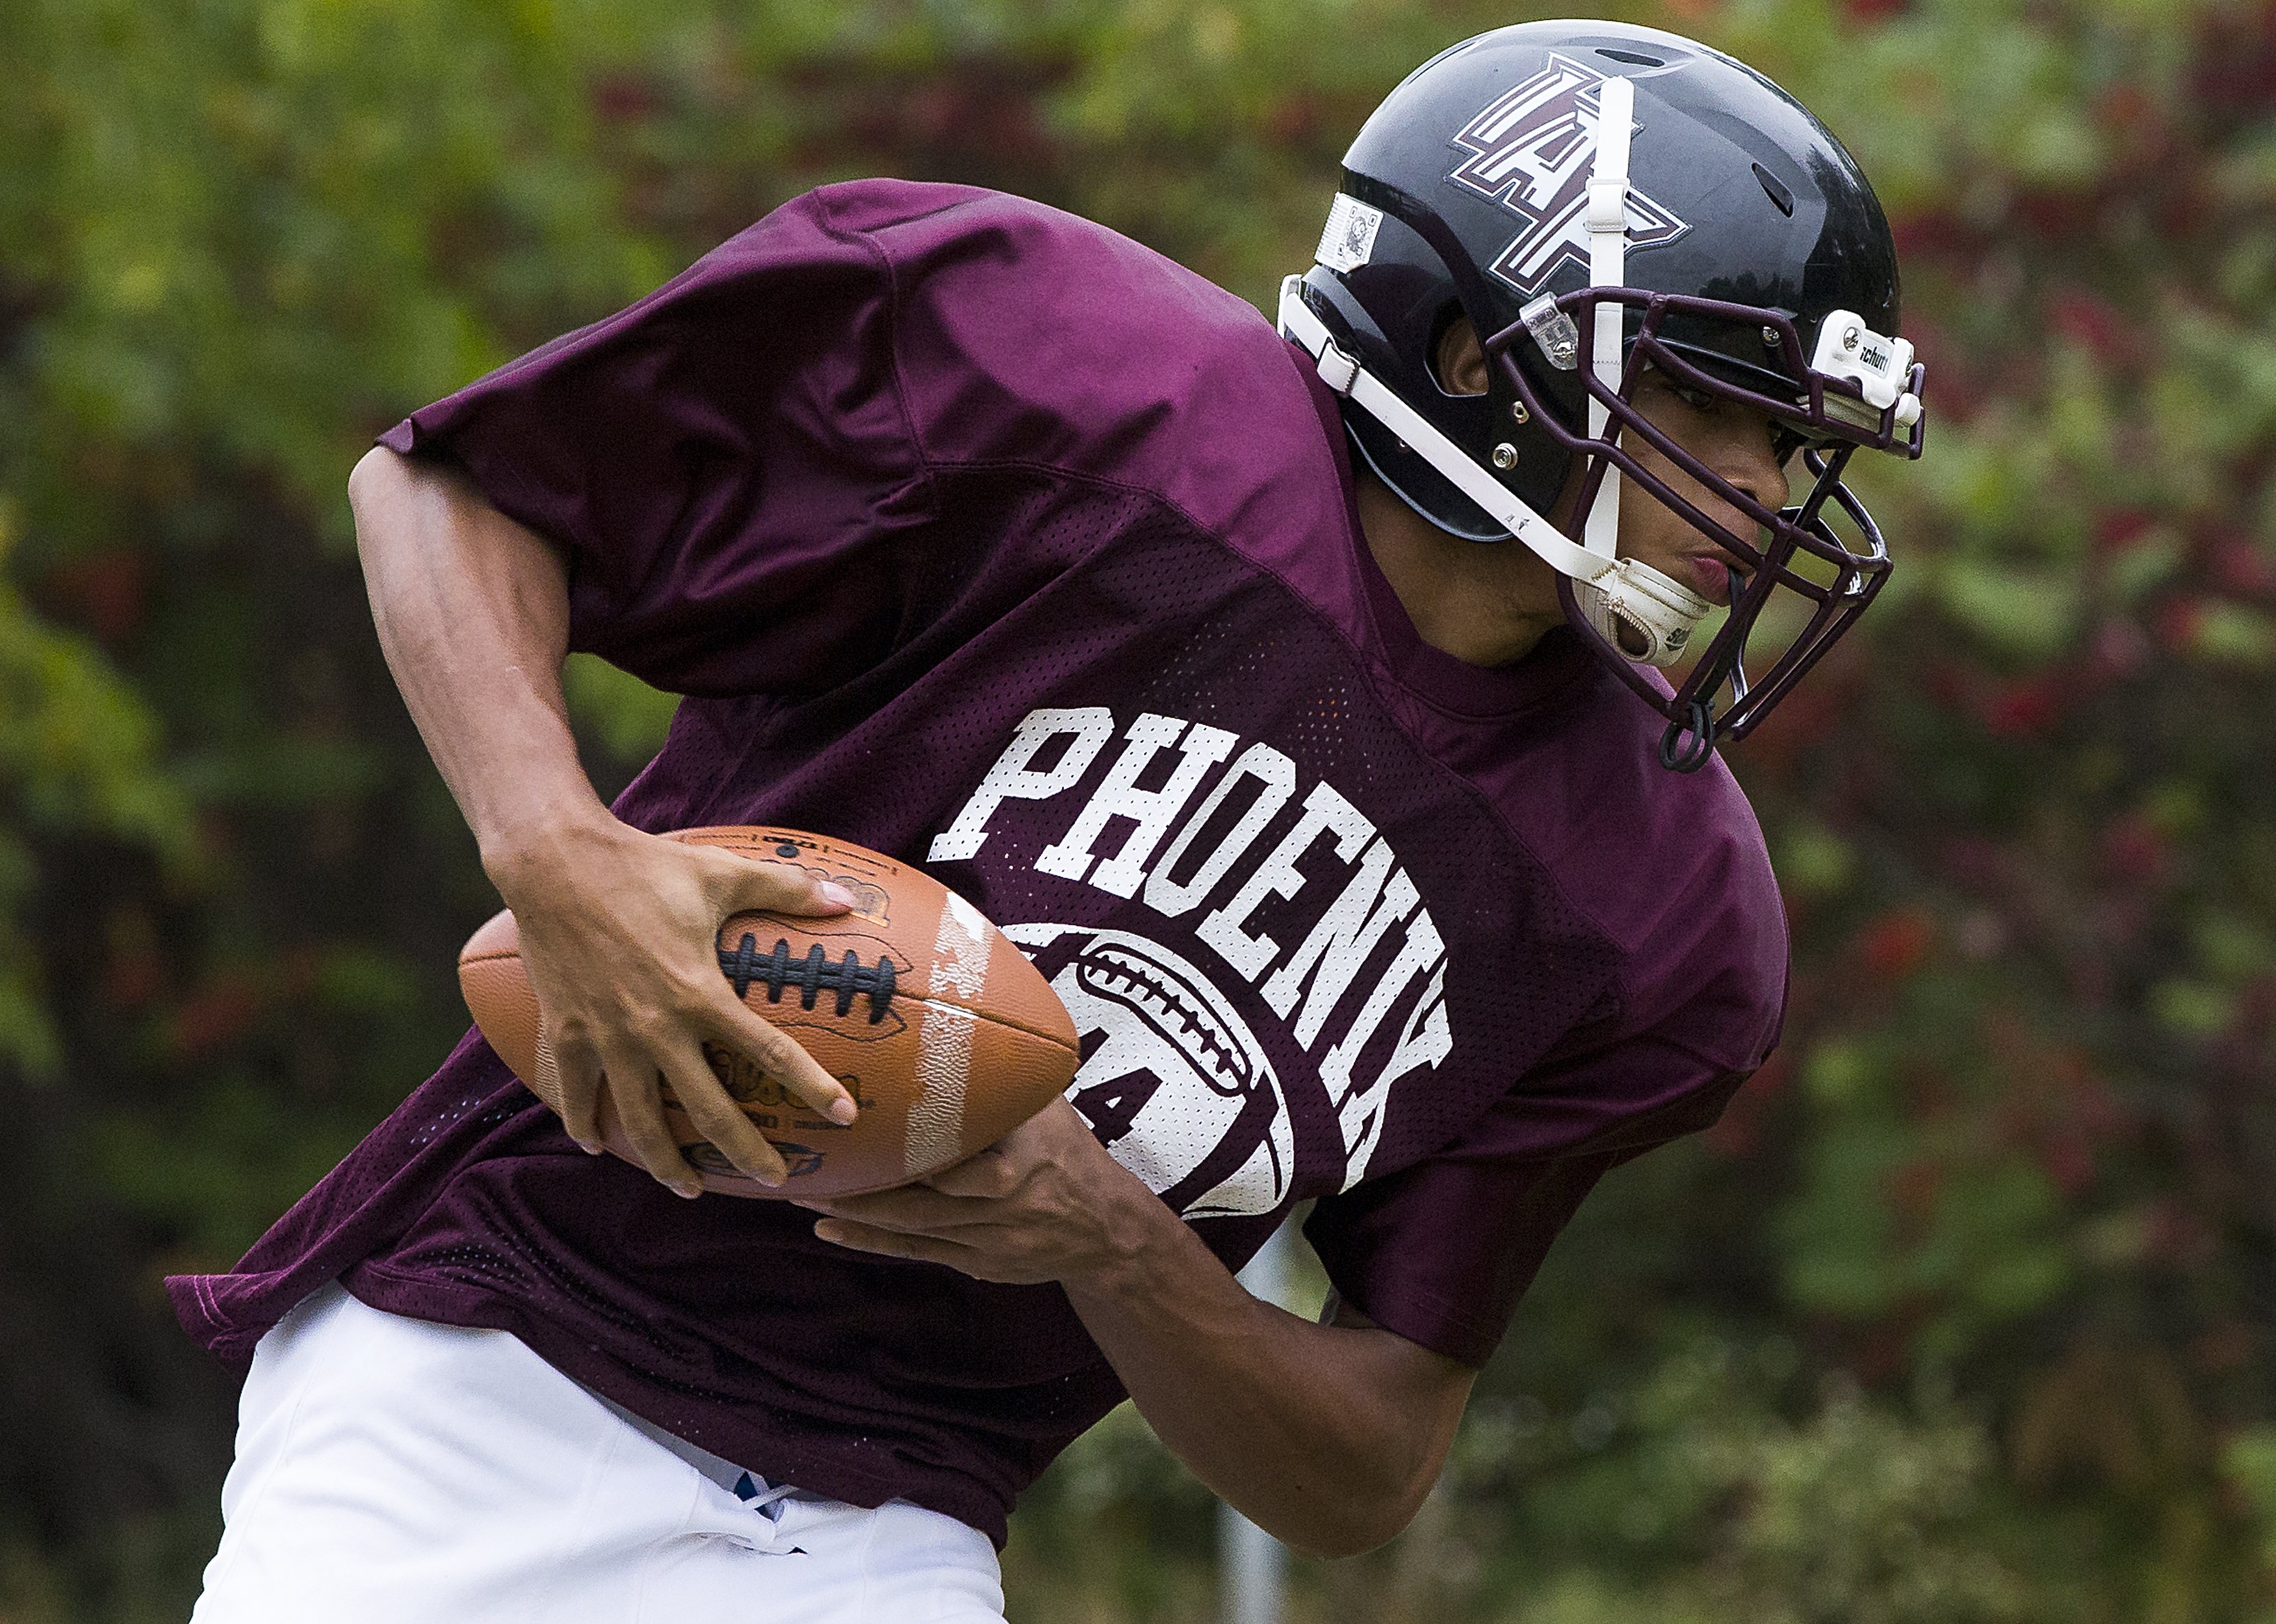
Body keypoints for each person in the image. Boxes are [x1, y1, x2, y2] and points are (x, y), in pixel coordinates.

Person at [175, 19, 1924, 1621]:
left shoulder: (1654, 903)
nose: (1762, 498)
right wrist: (556, 851)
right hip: (497, 1347)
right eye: (1713, 408)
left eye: (1789, 441)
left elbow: (1368, 1457)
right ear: (1482, 350)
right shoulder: (1078, 392)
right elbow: (451, 486)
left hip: (894, 1520)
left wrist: (1114, 1242)